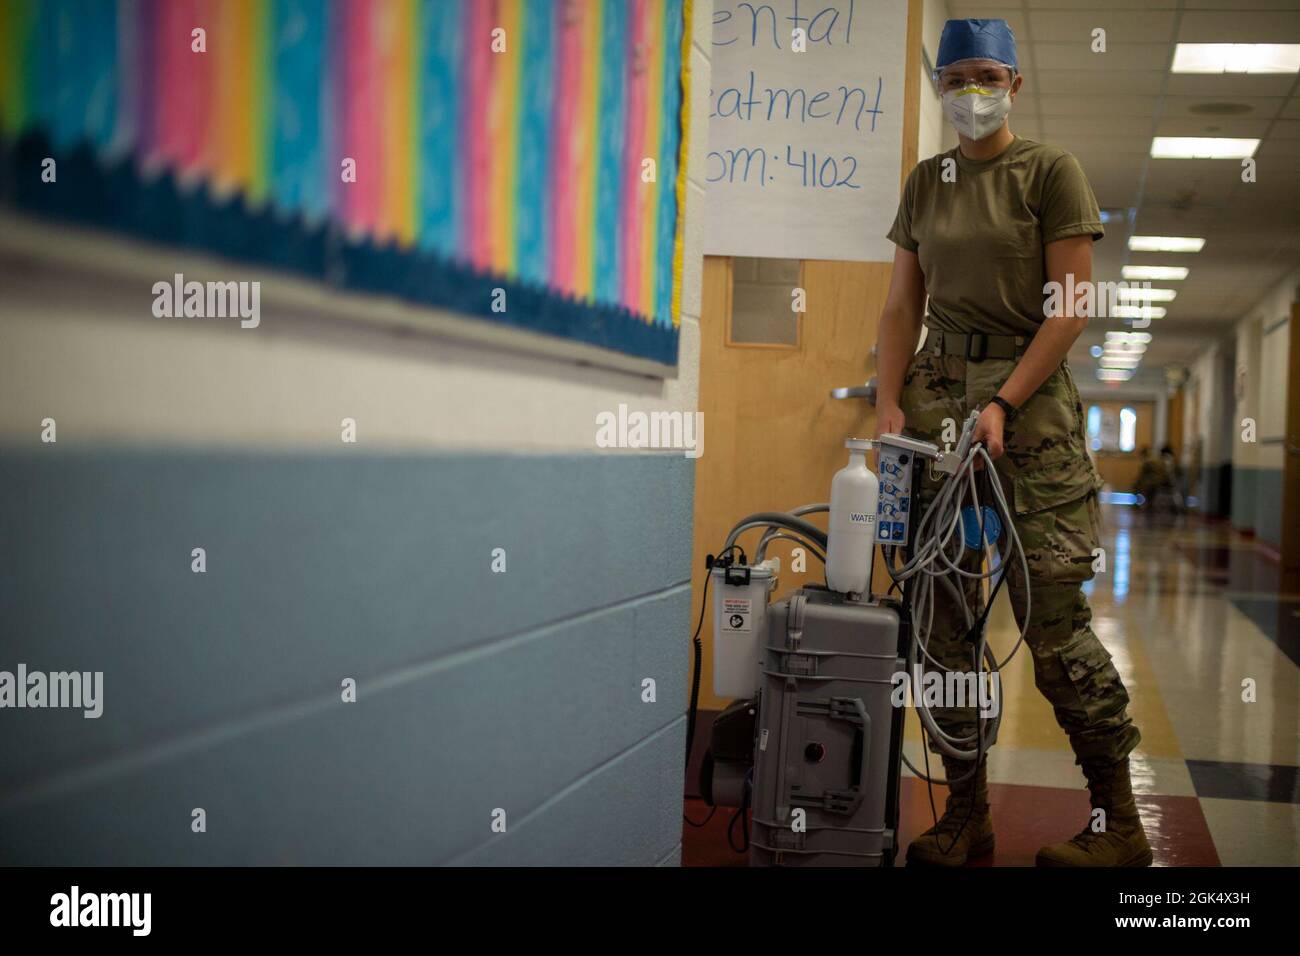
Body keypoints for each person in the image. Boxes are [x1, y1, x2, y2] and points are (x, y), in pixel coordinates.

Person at [873, 18, 1150, 867]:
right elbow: (900, 307)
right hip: (935, 409)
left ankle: (1118, 825)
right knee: (941, 619)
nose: (970, 91)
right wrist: (887, 404)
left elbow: (1071, 305)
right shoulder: (927, 183)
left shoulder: (1050, 172)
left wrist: (1006, 400)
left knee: (1053, 621)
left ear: (1016, 85)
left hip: (1029, 414)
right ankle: (966, 815)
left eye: (986, 75)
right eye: (954, 78)